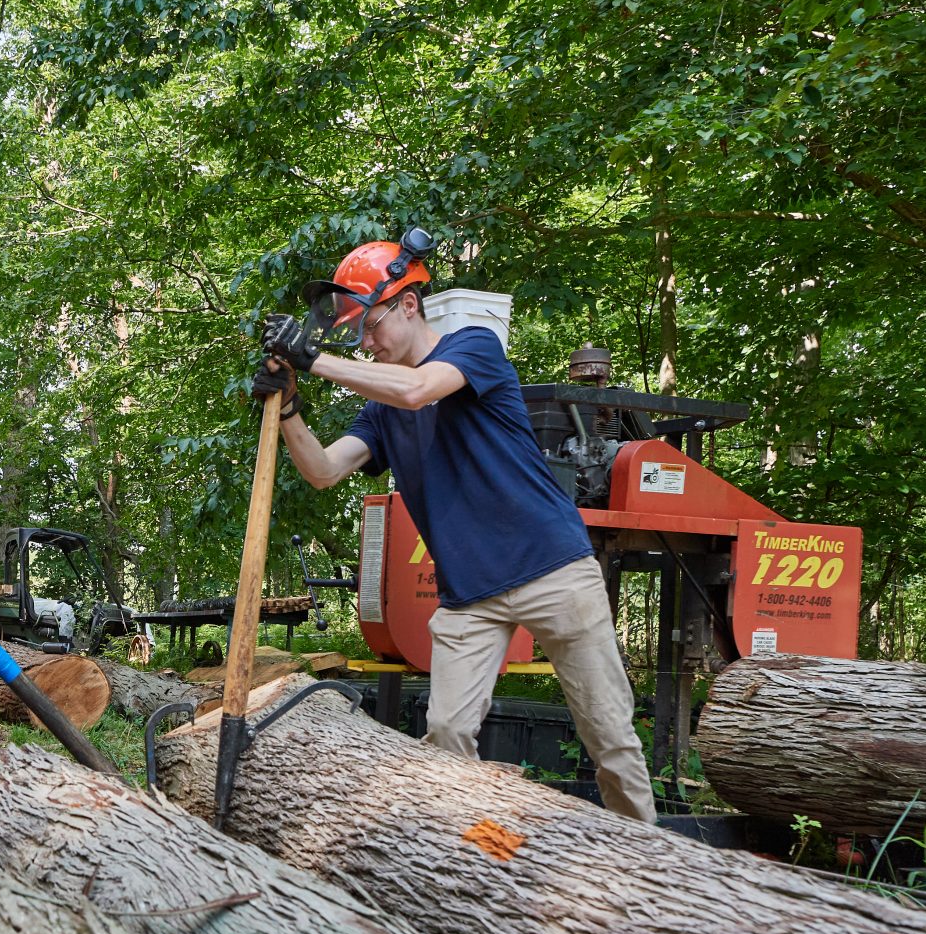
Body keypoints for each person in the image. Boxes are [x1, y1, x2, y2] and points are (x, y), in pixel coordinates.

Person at [259, 233, 655, 823]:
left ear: (410, 305)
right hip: (469, 593)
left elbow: (421, 390)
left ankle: (647, 866)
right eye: (355, 336)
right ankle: (470, 859)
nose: (366, 344)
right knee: (444, 737)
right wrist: (289, 408)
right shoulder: (381, 407)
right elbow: (322, 470)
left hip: (552, 569)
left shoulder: (475, 348)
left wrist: (313, 360)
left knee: (609, 737)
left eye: (370, 327)